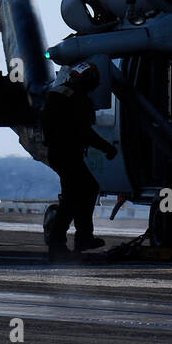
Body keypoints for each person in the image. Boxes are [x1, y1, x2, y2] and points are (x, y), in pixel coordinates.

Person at [41, 62, 116, 259]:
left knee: (77, 193)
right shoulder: (78, 97)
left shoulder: (59, 91)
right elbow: (84, 131)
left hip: (58, 152)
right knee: (83, 191)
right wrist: (107, 148)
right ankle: (71, 240)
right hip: (68, 153)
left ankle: (75, 238)